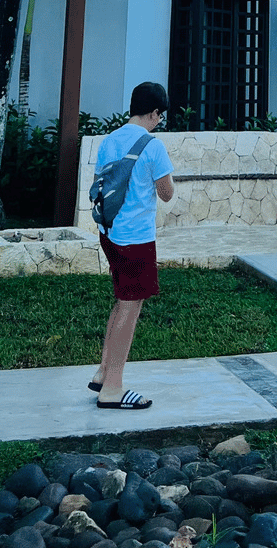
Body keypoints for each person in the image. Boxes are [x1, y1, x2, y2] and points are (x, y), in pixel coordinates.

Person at [91, 80, 174, 409]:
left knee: (121, 301)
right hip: (136, 239)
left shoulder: (109, 141)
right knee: (130, 307)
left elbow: (99, 182)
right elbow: (166, 194)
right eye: (160, 116)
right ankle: (112, 389)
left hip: (109, 233)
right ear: (154, 113)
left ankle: (102, 373)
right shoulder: (153, 146)